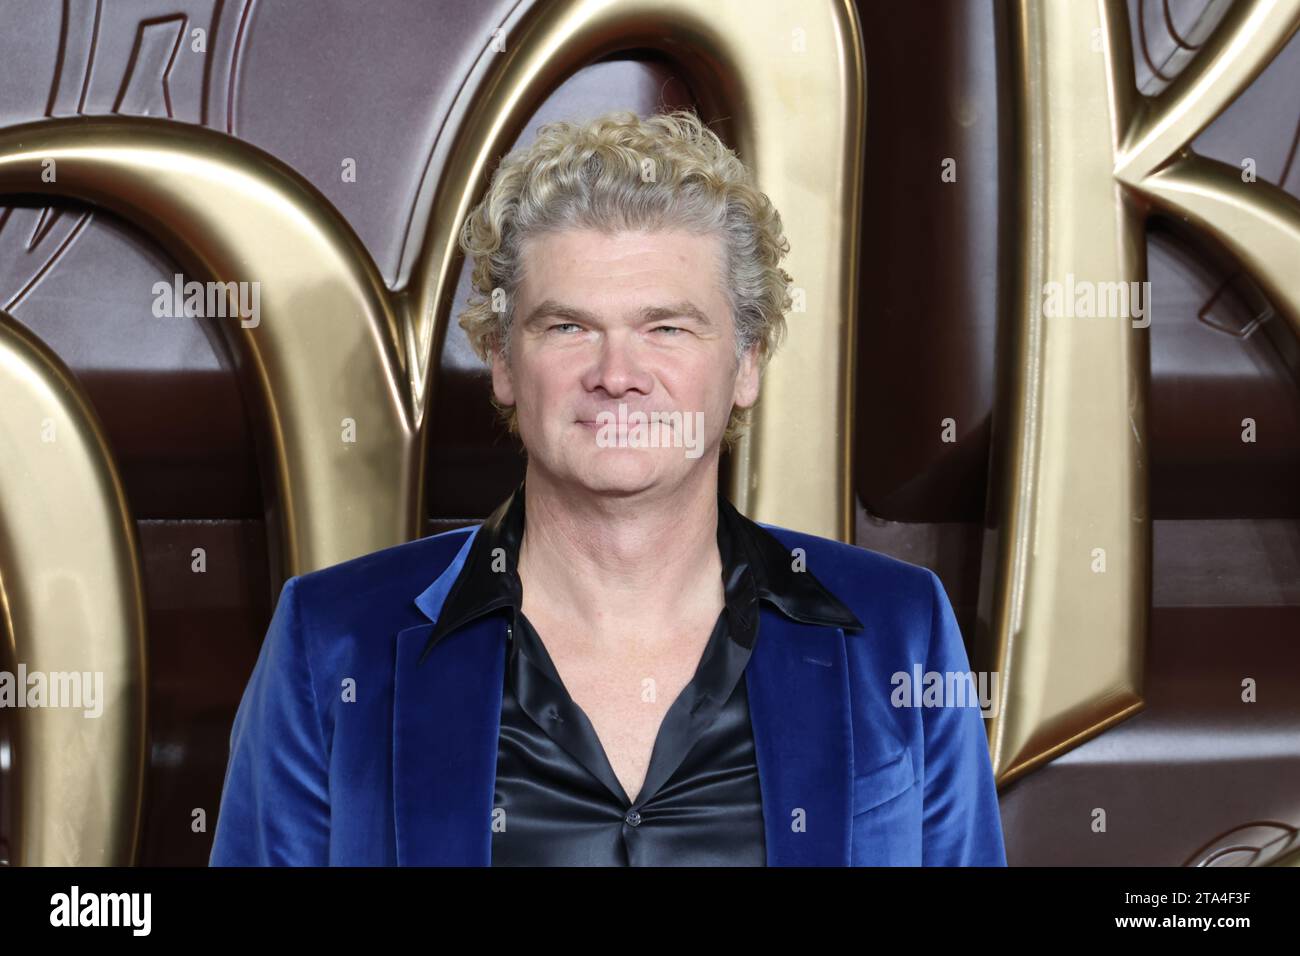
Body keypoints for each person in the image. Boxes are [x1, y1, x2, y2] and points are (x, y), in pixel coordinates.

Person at [209, 108, 1006, 866]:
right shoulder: (332, 639)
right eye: (569, 327)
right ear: (501, 360)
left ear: (749, 361)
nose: (618, 375)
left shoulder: (899, 630)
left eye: (666, 327)